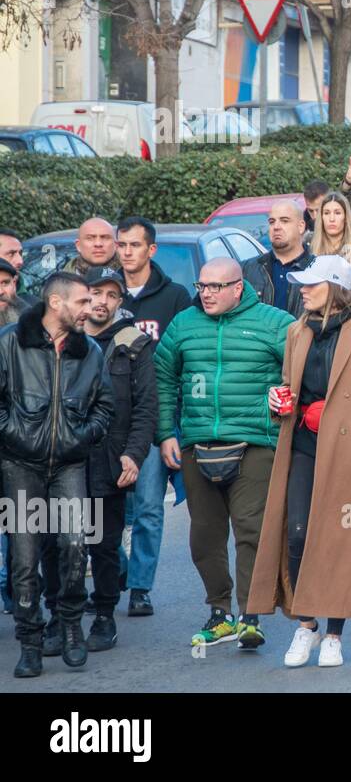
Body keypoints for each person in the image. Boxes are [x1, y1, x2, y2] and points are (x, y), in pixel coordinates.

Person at [247, 255, 351, 669]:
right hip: (301, 445)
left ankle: (334, 633)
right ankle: (306, 624)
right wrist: (278, 399)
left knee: (339, 542)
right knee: (297, 534)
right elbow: (288, 386)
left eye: (312, 283)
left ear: (335, 287)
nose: (302, 289)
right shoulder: (297, 330)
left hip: (347, 453)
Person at [154, 257, 295, 649]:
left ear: (238, 287)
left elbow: (305, 371)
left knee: (251, 530)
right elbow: (162, 378)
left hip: (255, 441)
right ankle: (220, 613)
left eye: (216, 287)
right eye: (202, 286)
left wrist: (288, 401)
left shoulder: (275, 323)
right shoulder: (184, 323)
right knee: (204, 536)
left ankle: (251, 615)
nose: (207, 294)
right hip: (198, 443)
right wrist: (167, 432)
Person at [1, 273, 114, 678]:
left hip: (69, 463)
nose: (91, 308)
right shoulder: (10, 342)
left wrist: (78, 438)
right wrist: (19, 438)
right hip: (19, 465)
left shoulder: (92, 351)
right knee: (25, 557)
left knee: (73, 547)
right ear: (55, 302)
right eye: (83, 301)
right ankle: (29, 644)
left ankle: (70, 628)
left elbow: (105, 407)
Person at [75, 267, 158, 652]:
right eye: (95, 292)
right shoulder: (62, 339)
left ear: (120, 302)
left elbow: (145, 408)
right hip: (64, 459)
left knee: (103, 544)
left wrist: (134, 455)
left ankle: (104, 616)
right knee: (60, 543)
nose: (101, 301)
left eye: (111, 295)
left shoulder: (133, 343)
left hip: (109, 461)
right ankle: (63, 618)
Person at [113, 215, 191, 618]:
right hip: (109, 425)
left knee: (147, 508)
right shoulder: (105, 294)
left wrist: (173, 425)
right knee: (108, 510)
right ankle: (117, 571)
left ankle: (140, 587)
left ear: (151, 250)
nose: (127, 252)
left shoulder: (175, 297)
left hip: (156, 421)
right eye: (121, 244)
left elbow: (185, 358)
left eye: (134, 245)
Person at [243, 201, 316, 315]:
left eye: (284, 221)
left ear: (301, 226)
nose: (276, 227)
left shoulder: (318, 270)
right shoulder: (247, 269)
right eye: (272, 222)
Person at [310, 192, 351, 266]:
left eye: (337, 213)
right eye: (326, 213)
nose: (332, 219)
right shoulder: (310, 247)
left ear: (346, 217)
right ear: (321, 217)